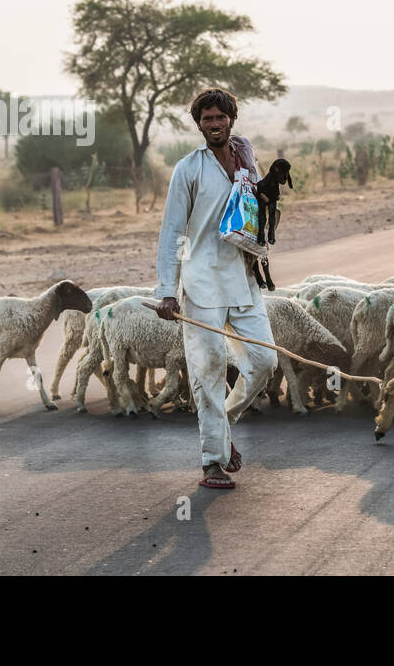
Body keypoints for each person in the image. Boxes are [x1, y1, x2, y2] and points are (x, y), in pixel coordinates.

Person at [154, 88, 277, 490]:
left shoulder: (246, 158)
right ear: (199, 124)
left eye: (219, 118)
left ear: (231, 119)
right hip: (202, 280)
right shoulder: (188, 169)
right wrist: (166, 291)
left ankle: (223, 429)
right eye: (206, 119)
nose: (214, 124)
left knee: (264, 362)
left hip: (242, 278)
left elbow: (253, 211)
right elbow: (173, 231)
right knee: (207, 371)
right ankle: (212, 460)